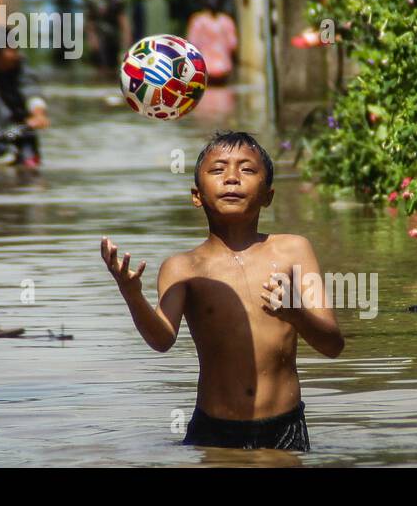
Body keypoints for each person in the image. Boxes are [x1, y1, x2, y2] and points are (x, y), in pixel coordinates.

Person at [100, 131, 344, 451]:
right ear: (196, 195)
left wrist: (295, 312)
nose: (231, 178)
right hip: (214, 430)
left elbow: (332, 345)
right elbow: (161, 339)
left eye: (247, 170)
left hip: (284, 426)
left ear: (268, 195)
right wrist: (132, 294)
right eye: (218, 170)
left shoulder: (293, 251)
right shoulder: (183, 267)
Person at [0, 46, 49, 166]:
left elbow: (32, 92)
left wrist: (38, 115)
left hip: (20, 137)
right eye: (11, 50)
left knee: (32, 172)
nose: (17, 54)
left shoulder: (22, 69)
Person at [185, 0, 237, 84]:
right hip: (223, 68)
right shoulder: (226, 21)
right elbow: (233, 44)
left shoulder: (198, 21)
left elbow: (192, 43)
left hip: (204, 68)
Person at [85, 0, 131, 70]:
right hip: (99, 38)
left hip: (114, 39)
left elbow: (123, 20)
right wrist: (92, 39)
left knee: (114, 66)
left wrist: (127, 40)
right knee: (100, 66)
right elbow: (89, 21)